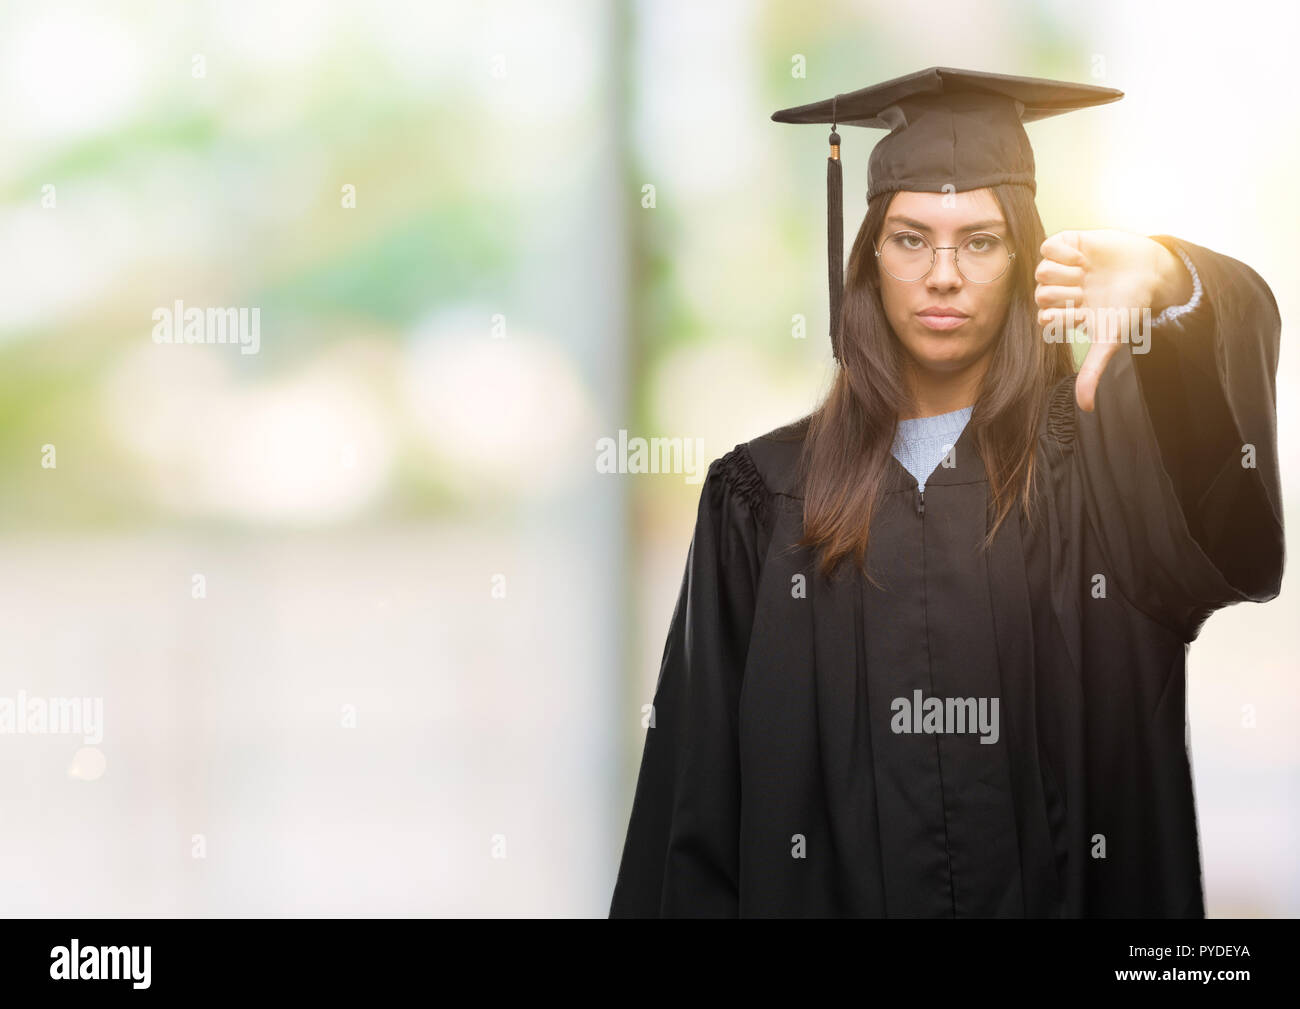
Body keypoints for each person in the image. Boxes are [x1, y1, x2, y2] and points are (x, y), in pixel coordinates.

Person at [608, 68, 1285, 917]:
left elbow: (1238, 533)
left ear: (1025, 258)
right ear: (868, 259)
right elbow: (693, 806)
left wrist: (1168, 277)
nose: (942, 274)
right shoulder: (761, 499)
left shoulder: (1106, 473)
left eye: (979, 240)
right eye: (910, 237)